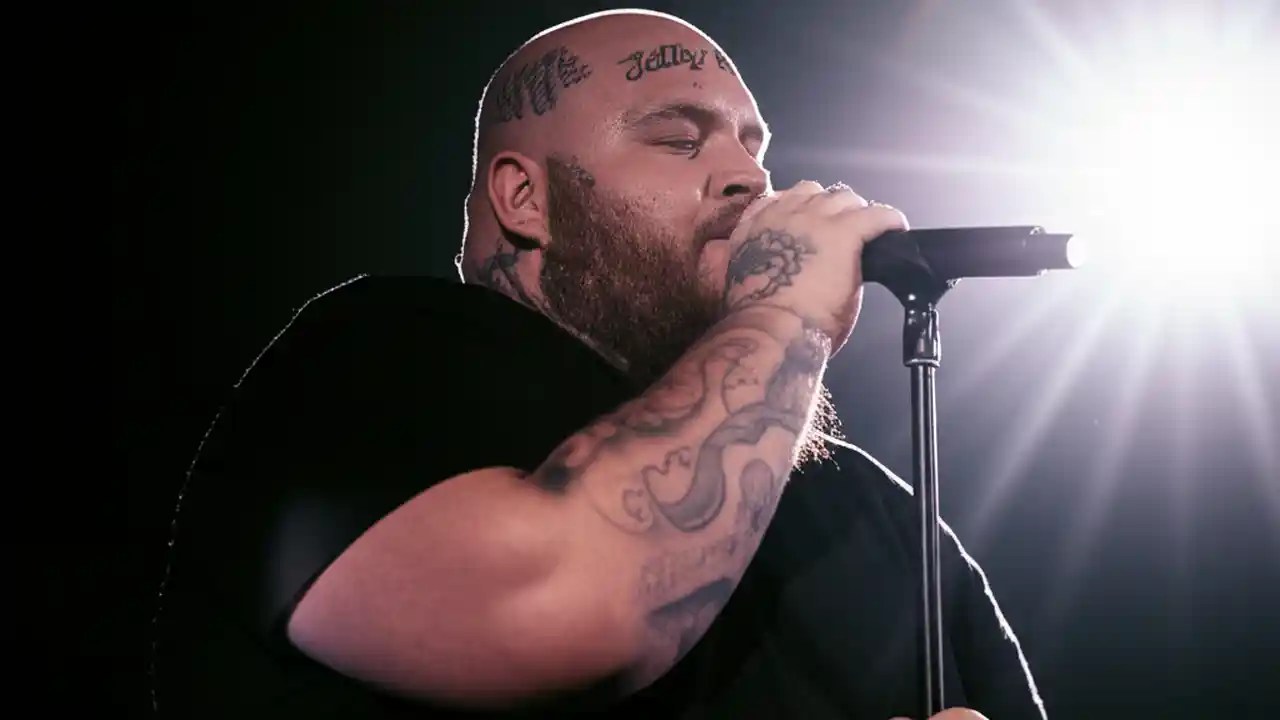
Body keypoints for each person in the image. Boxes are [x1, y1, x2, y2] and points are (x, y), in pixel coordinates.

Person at [150, 9, 1046, 719]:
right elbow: (562, 613)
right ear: (525, 198)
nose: (747, 180)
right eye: (678, 139)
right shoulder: (373, 359)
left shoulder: (871, 514)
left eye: (752, 146)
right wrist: (788, 309)